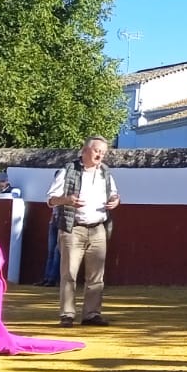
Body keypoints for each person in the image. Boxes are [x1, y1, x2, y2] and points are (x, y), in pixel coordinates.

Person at [46, 135, 122, 327]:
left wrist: (115, 200)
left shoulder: (106, 173)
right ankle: (67, 315)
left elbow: (113, 193)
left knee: (96, 276)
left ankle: (91, 314)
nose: (101, 155)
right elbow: (50, 200)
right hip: (74, 228)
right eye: (97, 151)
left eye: (103, 152)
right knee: (69, 274)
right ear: (85, 150)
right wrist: (67, 200)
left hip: (98, 228)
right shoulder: (68, 170)